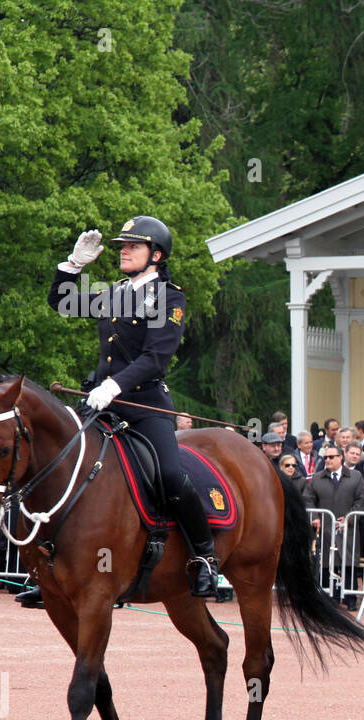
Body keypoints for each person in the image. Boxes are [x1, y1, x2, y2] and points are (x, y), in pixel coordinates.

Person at [42, 216, 218, 603]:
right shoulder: (116, 291)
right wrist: (72, 267)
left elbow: (156, 358)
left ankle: (205, 557)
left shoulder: (171, 297)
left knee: (171, 476)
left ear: (156, 255)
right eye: (122, 245)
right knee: (58, 465)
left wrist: (115, 385)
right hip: (99, 402)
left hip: (143, 405)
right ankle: (53, 565)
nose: (123, 250)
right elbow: (62, 304)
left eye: (132, 246)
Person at [303, 442, 364, 606]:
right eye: (325, 457)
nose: (328, 460)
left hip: (348, 529)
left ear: (340, 457)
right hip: (324, 528)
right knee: (326, 563)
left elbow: (361, 500)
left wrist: (349, 518)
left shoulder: (356, 476)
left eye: (331, 457)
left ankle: (350, 598)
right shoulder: (317, 477)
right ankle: (330, 598)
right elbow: (308, 499)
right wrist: (314, 517)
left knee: (348, 562)